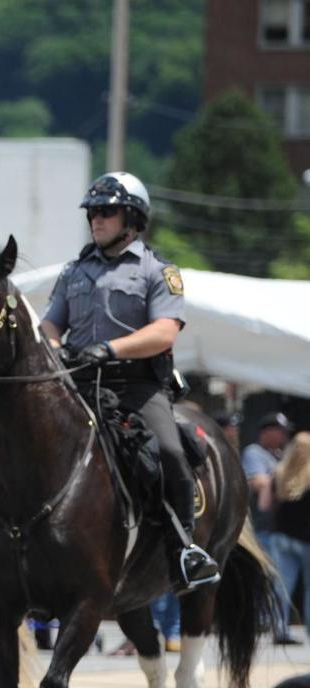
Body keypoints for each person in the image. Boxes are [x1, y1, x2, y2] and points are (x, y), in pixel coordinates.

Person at [41, 171, 220, 594]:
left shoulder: (158, 271)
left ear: (132, 218)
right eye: (92, 212)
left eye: (106, 211)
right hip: (79, 385)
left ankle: (184, 550)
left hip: (137, 388)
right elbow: (51, 322)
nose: (96, 220)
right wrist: (54, 346)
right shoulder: (73, 271)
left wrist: (110, 349)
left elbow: (164, 332)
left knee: (170, 453)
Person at [243, 411, 293, 629]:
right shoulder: (255, 453)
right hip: (263, 527)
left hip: (282, 527)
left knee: (278, 577)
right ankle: (264, 620)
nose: (284, 435)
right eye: (280, 430)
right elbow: (260, 483)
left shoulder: (280, 455)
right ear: (268, 431)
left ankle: (273, 620)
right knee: (268, 576)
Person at [273, 431, 309, 644]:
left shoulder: (280, 472)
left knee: (282, 586)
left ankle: (279, 628)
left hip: (282, 536)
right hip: (307, 538)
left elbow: (265, 505)